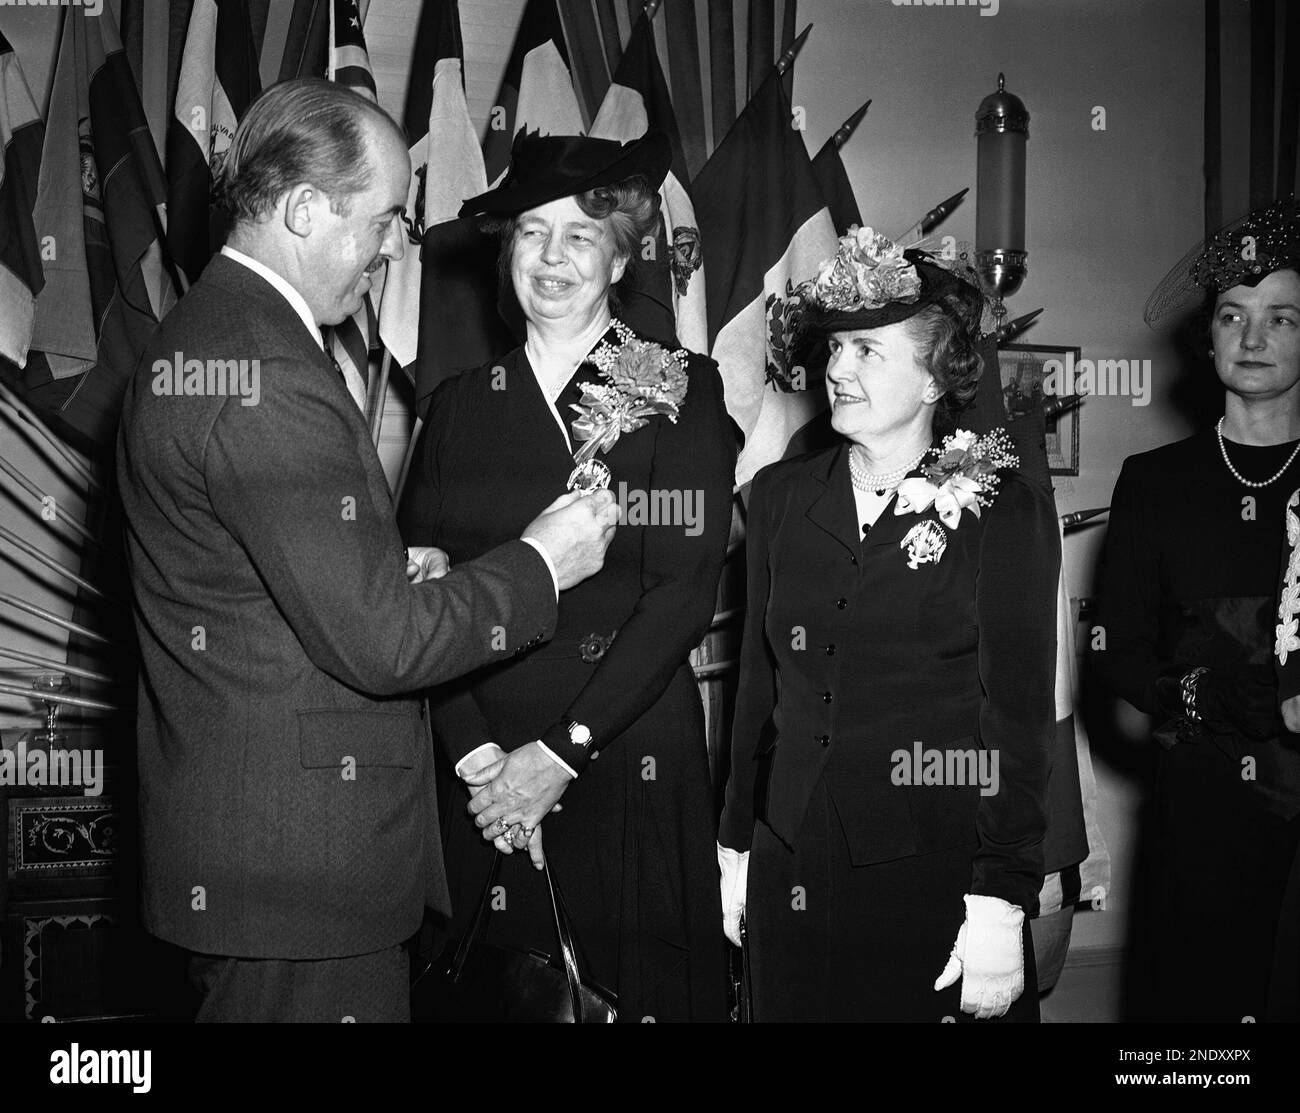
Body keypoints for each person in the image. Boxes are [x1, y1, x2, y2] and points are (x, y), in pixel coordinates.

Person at [115, 79, 618, 1023]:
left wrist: (394, 572)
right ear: (306, 209)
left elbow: (282, 591)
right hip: (300, 885)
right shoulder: (268, 371)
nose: (398, 247)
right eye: (387, 217)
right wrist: (543, 559)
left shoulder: (220, 334)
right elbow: (383, 644)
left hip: (261, 869)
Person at [399, 128, 735, 1022]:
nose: (551, 258)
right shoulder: (460, 407)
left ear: (621, 257)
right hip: (479, 773)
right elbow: (416, 597)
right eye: (533, 234)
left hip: (623, 752)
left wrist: (558, 755)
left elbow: (683, 592)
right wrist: (482, 766)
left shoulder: (679, 387)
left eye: (581, 236)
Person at [718, 227, 1059, 1021]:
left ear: (937, 374)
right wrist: (736, 843)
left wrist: (1001, 898)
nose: (836, 368)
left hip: (930, 867)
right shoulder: (776, 497)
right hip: (788, 853)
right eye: (835, 349)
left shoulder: (1004, 510)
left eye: (868, 351)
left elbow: (1016, 722)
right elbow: (755, 690)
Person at [1096, 197, 1300, 1021]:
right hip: (1204, 808)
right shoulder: (1155, 482)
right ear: (1207, 336)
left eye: (1281, 318)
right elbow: (1116, 652)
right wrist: (1201, 694)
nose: (1253, 340)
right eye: (1233, 316)